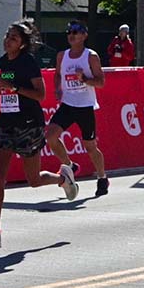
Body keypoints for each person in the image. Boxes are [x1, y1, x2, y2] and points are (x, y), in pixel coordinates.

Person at [0, 19, 78, 250]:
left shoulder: (28, 62)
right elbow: (5, 86)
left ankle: (63, 178)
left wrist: (15, 89)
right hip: (6, 124)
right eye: (7, 35)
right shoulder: (4, 61)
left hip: (29, 125)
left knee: (33, 180)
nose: (8, 40)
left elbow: (40, 94)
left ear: (21, 44)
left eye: (13, 38)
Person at [45, 20, 108, 196]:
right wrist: (57, 88)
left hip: (85, 106)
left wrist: (85, 80)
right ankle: (70, 165)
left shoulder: (91, 56)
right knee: (50, 136)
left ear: (84, 35)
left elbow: (101, 82)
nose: (71, 35)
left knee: (90, 147)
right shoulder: (61, 56)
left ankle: (102, 178)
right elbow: (57, 74)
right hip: (68, 104)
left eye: (76, 32)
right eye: (69, 32)